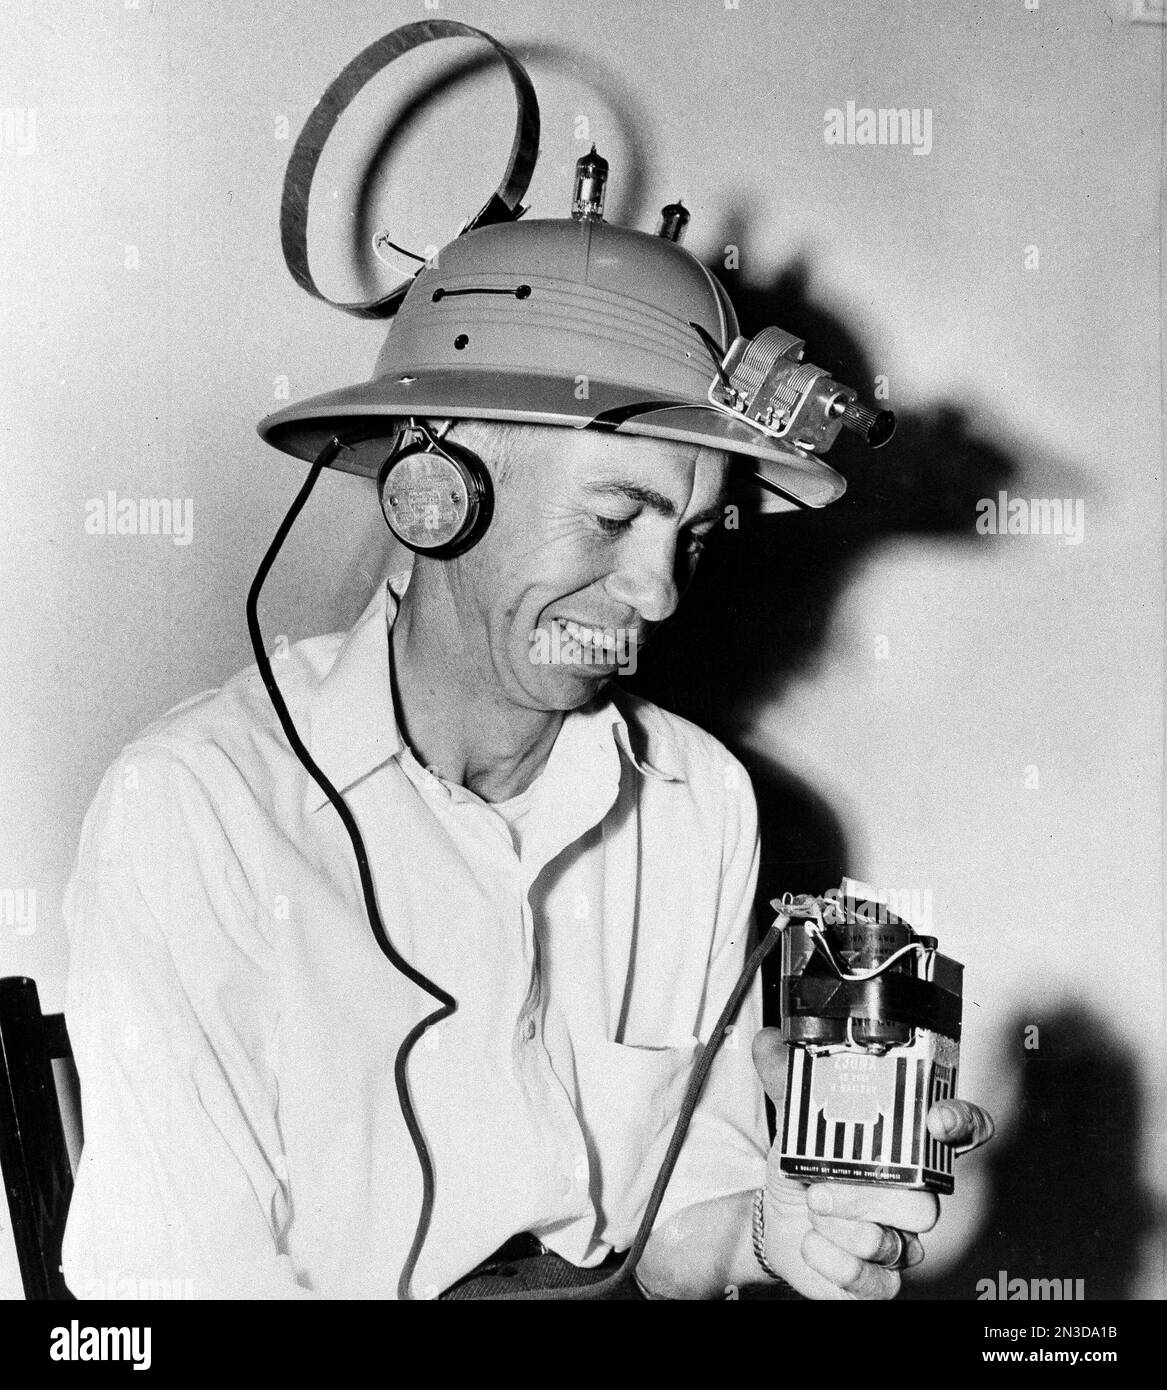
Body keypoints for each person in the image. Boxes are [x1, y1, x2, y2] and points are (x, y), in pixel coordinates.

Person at [62, 204, 992, 1301]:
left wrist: (763, 1228)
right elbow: (177, 1289)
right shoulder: (195, 811)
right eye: (614, 519)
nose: (659, 591)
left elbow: (672, 1221)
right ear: (433, 494)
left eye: (688, 536)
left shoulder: (699, 804)